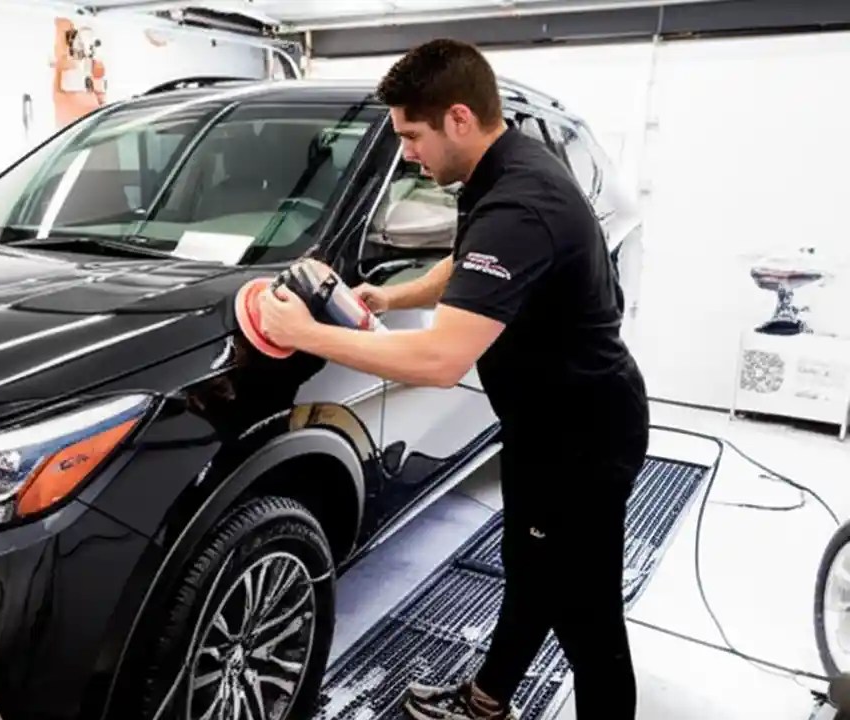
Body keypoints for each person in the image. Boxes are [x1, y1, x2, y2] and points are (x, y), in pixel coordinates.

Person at [257, 39, 649, 720]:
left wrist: (307, 335)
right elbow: (466, 264)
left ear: (459, 119)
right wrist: (388, 298)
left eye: (412, 135)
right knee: (530, 572)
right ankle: (486, 701)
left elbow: (441, 363)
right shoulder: (500, 167)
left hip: (583, 442)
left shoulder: (521, 203)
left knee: (588, 622)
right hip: (544, 426)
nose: (407, 152)